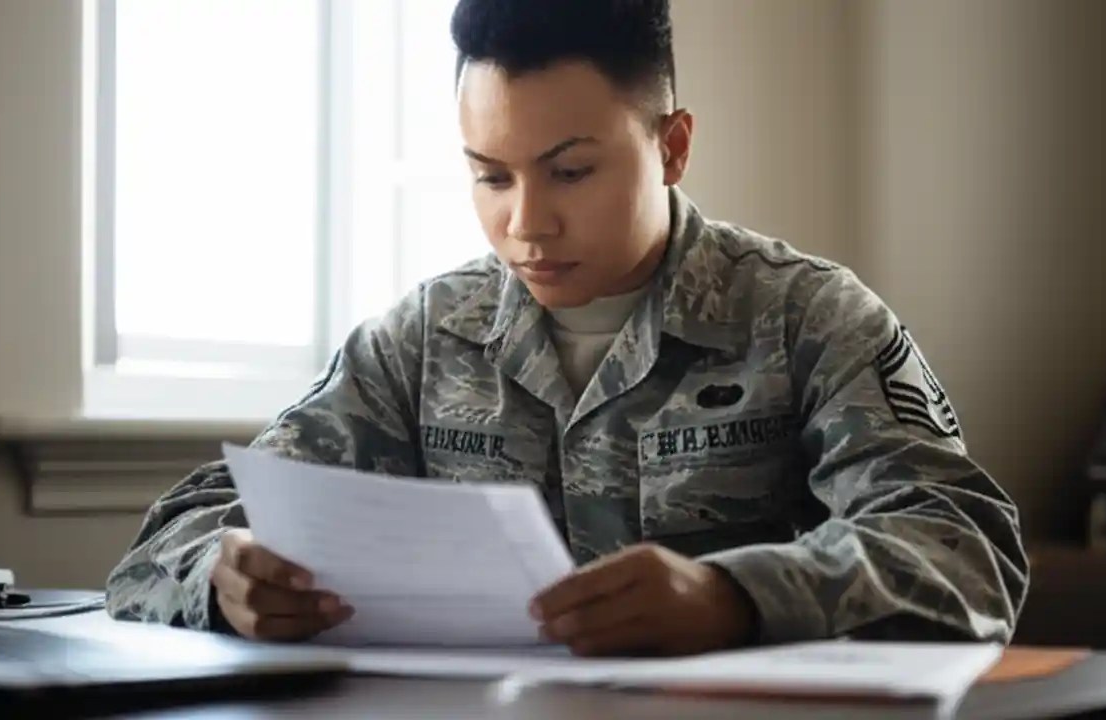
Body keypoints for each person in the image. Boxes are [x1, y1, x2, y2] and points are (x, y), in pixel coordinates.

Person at [106, 0, 1028, 657]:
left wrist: (734, 599)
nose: (526, 224)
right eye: (490, 176)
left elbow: (964, 548)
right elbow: (168, 542)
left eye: (571, 172)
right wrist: (223, 581)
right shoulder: (420, 341)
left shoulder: (809, 320)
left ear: (671, 146)